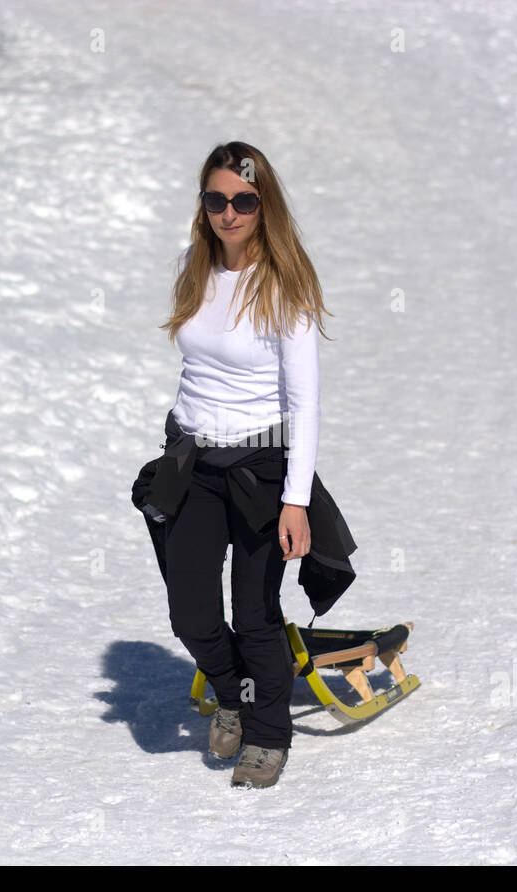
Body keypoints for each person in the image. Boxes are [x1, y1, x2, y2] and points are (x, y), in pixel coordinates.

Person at [154, 141, 334, 789]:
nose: (229, 212)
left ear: (265, 206)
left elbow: (305, 403)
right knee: (190, 612)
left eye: (244, 201)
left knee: (255, 613)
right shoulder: (192, 266)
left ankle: (267, 734)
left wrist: (296, 499)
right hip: (194, 463)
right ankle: (233, 692)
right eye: (216, 199)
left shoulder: (285, 287)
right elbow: (193, 366)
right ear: (203, 206)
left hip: (260, 469)